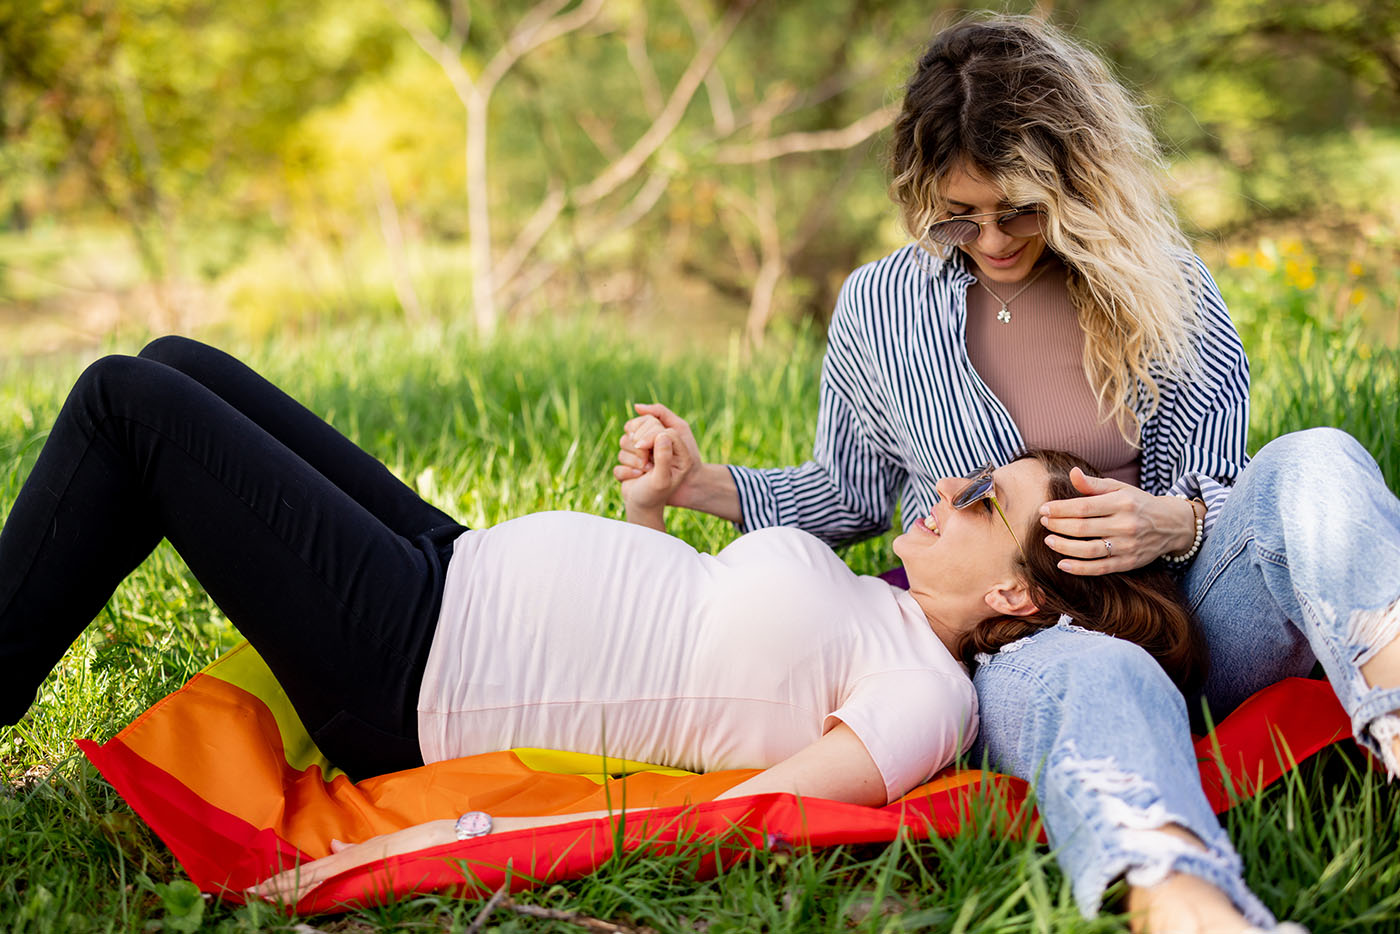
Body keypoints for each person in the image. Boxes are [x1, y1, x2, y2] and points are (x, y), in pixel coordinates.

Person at [614, 13, 1400, 934]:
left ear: (1077, 180)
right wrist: (700, 485)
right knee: (1099, 671)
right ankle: (1185, 905)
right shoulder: (881, 307)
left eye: (1021, 210)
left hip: (1192, 613)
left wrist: (1175, 522)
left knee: (1317, 458)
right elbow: (849, 494)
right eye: (960, 215)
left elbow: (1230, 491)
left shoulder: (1166, 285)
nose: (991, 240)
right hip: (1021, 648)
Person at [0, 338, 1200, 902]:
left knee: (126, 403)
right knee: (176, 362)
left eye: (980, 500)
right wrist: (648, 513)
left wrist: (425, 846)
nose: (943, 488)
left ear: (1015, 595)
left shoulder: (925, 695)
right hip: (450, 566)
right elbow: (682, 644)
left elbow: (736, 811)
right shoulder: (871, 602)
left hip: (413, 665)